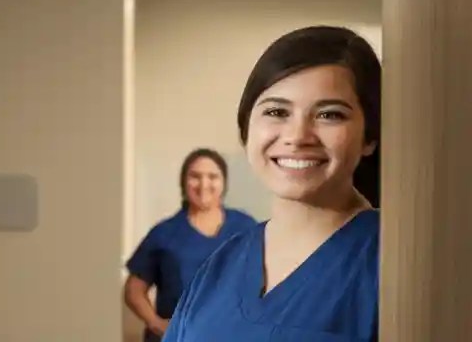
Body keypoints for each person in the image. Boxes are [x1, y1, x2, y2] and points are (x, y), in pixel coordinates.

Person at [162, 25, 381, 341]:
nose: (297, 137)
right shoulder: (221, 266)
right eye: (277, 111)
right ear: (247, 128)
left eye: (330, 115)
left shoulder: (387, 264)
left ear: (370, 137)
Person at [124, 148, 258, 340]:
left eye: (213, 177)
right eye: (195, 176)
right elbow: (133, 290)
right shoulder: (165, 233)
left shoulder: (245, 227)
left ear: (224, 183)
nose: (204, 184)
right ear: (183, 183)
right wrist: (155, 323)